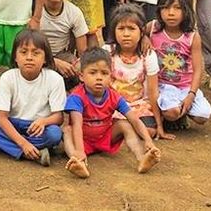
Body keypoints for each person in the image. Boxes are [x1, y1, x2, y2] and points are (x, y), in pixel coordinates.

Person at [63, 48, 161, 178]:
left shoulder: (114, 97)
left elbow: (134, 120)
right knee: (67, 130)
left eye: (104, 73)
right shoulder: (77, 97)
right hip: (82, 140)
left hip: (105, 137)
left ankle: (141, 157)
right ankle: (78, 161)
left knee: (124, 124)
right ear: (81, 76)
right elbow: (76, 125)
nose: (99, 78)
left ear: (111, 76)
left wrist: (148, 141)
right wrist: (80, 150)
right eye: (93, 73)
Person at [0, 29, 66, 166]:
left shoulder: (55, 79)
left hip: (37, 127)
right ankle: (31, 151)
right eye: (23, 52)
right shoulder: (8, 77)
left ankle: (1, 144)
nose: (29, 57)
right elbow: (2, 118)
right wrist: (23, 144)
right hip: (12, 123)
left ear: (45, 58)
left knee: (54, 134)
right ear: (15, 57)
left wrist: (44, 121)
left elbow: (59, 117)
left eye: (36, 53)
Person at [149, 0, 211, 130]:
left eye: (177, 8)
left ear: (186, 10)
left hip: (185, 87)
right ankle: (171, 116)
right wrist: (145, 39)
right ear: (159, 10)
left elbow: (198, 69)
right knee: (172, 112)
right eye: (166, 7)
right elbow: (139, 33)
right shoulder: (153, 28)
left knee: (203, 115)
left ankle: (180, 113)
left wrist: (191, 94)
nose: (171, 13)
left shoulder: (192, 37)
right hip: (162, 86)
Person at [104, 4, 167, 139]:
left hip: (139, 105)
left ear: (141, 31)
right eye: (121, 28)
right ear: (113, 31)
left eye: (132, 29)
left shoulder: (148, 55)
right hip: (113, 106)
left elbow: (153, 92)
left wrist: (159, 125)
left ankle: (125, 131)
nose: (126, 34)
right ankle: (126, 130)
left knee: (150, 131)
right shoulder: (107, 52)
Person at [40, 0, 89, 85]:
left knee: (75, 66)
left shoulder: (74, 12)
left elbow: (82, 51)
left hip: (62, 55)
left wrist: (79, 67)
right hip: (37, 55)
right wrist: (53, 62)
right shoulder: (34, 10)